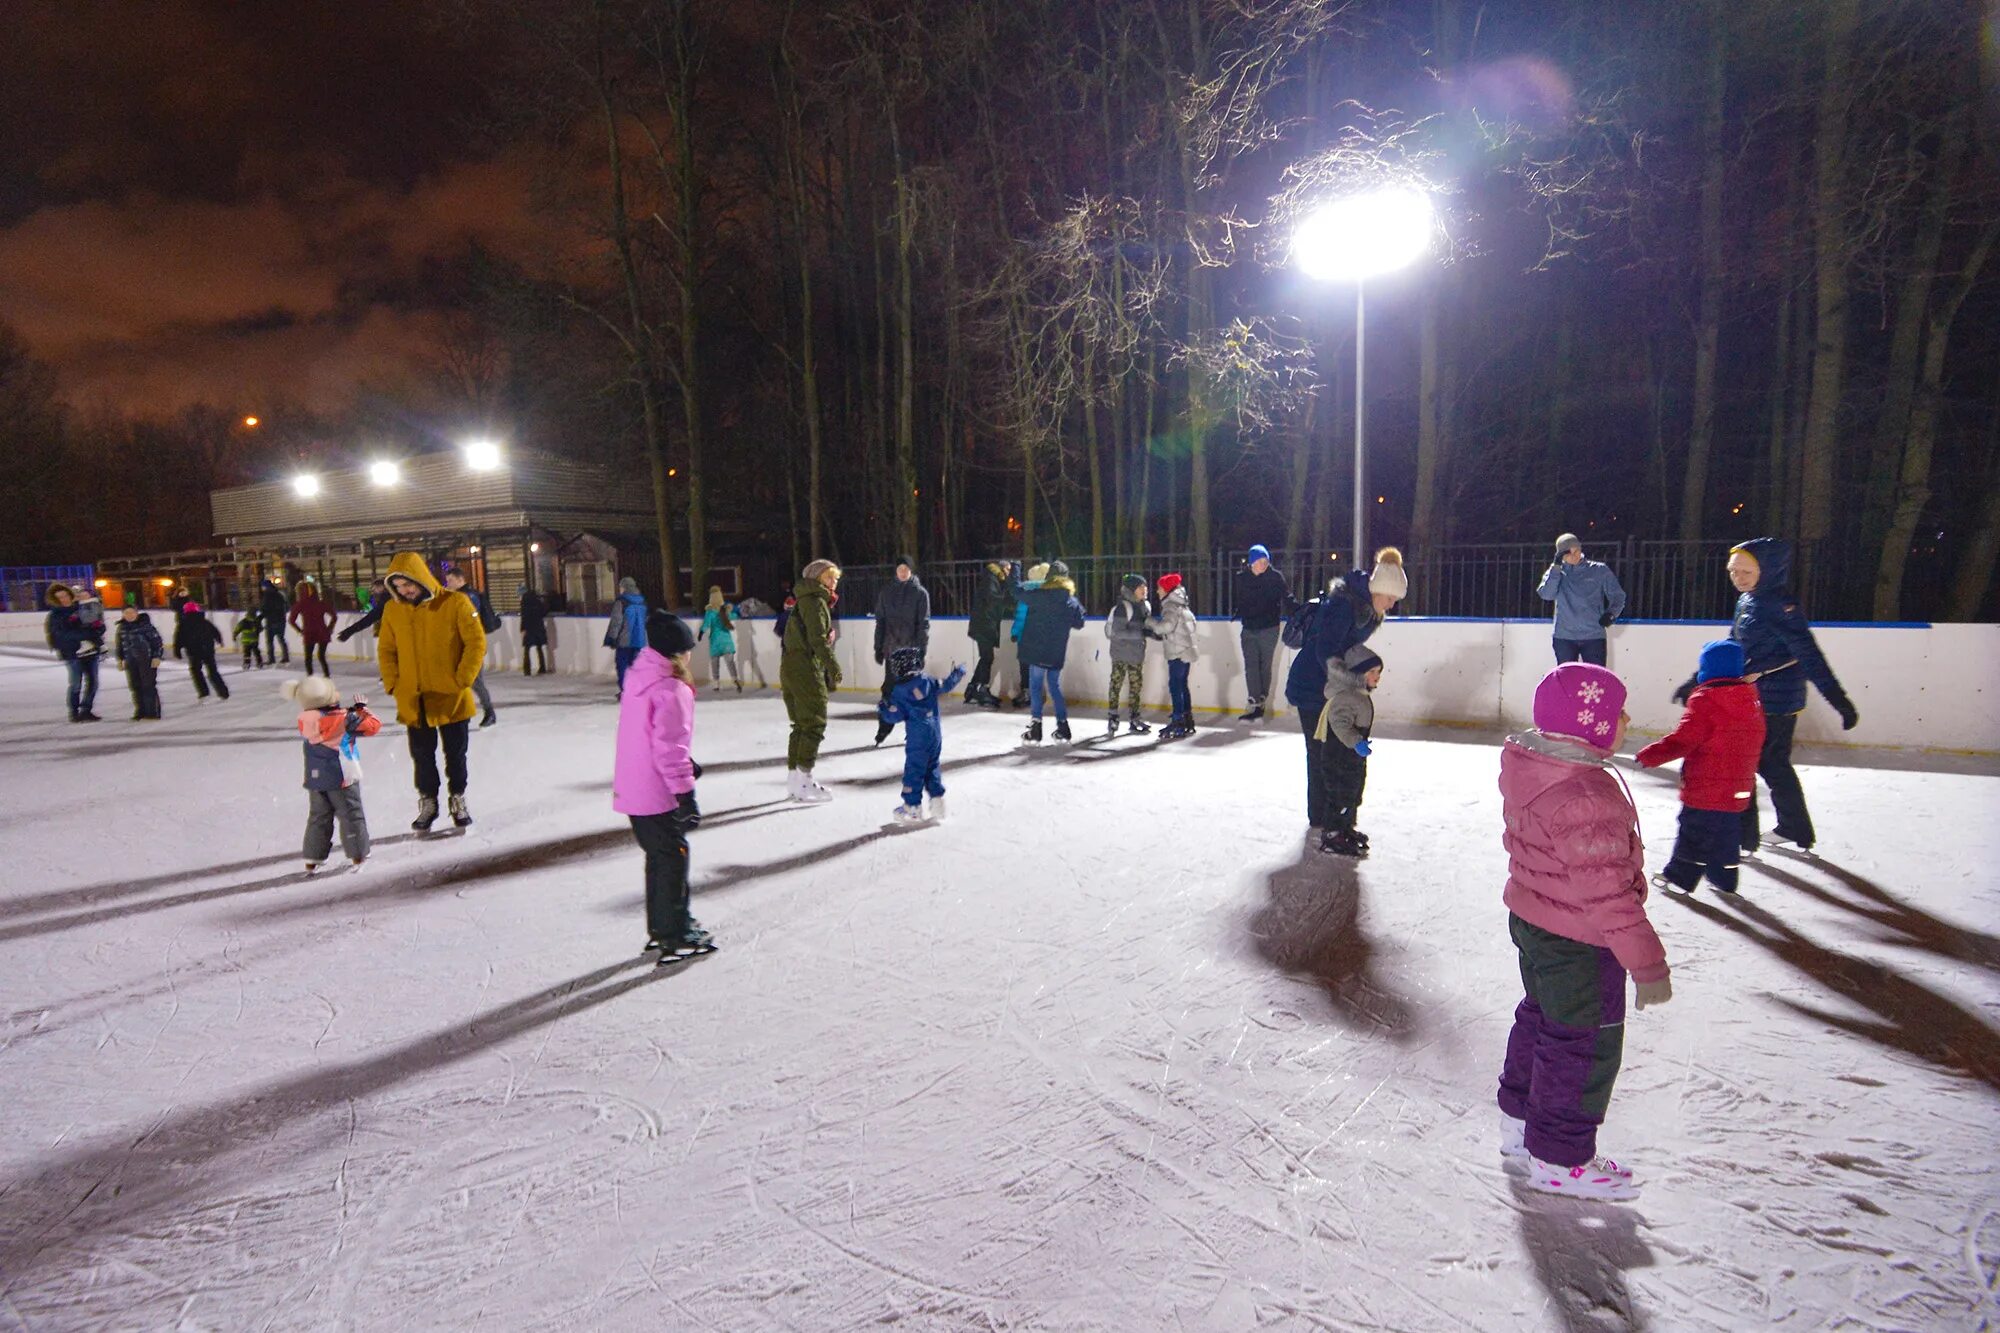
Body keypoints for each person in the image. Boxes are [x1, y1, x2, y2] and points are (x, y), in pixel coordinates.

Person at [1496, 662, 1670, 1201]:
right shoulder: (1585, 796)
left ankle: (1522, 1124)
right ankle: (1559, 1158)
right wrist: (1646, 963)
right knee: (1583, 1044)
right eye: (1617, 712)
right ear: (1590, 725)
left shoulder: (1535, 767)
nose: (1627, 719)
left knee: (1544, 1020)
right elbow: (1608, 894)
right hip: (1579, 940)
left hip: (1534, 920)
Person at [1676, 537, 1858, 854]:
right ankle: (1790, 828)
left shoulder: (1779, 605)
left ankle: (1751, 835)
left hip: (1776, 701)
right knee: (1769, 763)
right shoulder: (1748, 600)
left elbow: (1809, 655)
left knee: (1752, 762)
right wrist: (1697, 679)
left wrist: (1838, 700)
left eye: (1746, 572)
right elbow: (1733, 648)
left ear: (1769, 571)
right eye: (1733, 571)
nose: (1738, 578)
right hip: (1753, 697)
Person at [613, 606, 714, 962]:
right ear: (679, 651)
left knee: (660, 858)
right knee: (672, 858)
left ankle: (662, 926)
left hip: (633, 786)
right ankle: (675, 931)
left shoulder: (640, 676)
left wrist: (685, 765)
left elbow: (651, 738)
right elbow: (669, 748)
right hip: (657, 792)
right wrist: (685, 794)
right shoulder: (671, 688)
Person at [1283, 547, 1405, 832]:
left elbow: (1346, 649)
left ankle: (1328, 816)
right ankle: (1322, 818)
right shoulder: (1345, 606)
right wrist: (1356, 682)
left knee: (1330, 752)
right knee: (1320, 753)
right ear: (1378, 590)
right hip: (1312, 686)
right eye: (1390, 598)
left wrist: (1365, 668)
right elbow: (1326, 653)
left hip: (1327, 687)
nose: (1391, 605)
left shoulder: (1366, 609)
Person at [1638, 640, 1765, 894]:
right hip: (1739, 785)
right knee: (1727, 833)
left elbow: (1683, 740)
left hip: (1706, 786)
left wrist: (1651, 755)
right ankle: (1725, 878)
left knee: (1694, 832)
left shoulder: (1705, 700)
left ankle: (1679, 877)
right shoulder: (1751, 699)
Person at [378, 552, 487, 832]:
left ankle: (458, 798)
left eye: (408, 584)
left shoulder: (454, 602)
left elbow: (476, 643)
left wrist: (461, 679)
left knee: (456, 754)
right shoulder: (393, 610)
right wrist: (393, 683)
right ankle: (428, 801)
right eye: (399, 587)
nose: (405, 591)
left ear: (421, 578)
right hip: (414, 699)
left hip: (451, 696)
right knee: (422, 757)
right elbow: (387, 650)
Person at [281, 675, 382, 874]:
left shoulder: (305, 720)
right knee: (351, 814)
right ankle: (358, 853)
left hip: (316, 779)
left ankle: (313, 857)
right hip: (342, 777)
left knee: (319, 817)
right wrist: (362, 710)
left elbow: (328, 719)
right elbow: (373, 726)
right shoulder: (345, 719)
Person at [876, 646, 967, 823]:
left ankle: (912, 807)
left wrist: (882, 707)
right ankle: (937, 802)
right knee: (932, 767)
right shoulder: (927, 680)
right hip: (935, 734)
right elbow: (946, 684)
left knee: (914, 770)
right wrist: (958, 672)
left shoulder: (899, 691)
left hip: (917, 738)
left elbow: (894, 716)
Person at [781, 559, 843, 802]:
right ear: (816, 578)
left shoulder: (803, 601)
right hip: (806, 667)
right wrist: (834, 667)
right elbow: (817, 640)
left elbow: (808, 635)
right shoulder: (815, 602)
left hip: (791, 665)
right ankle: (804, 780)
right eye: (829, 577)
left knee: (800, 724)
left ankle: (794, 780)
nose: (833, 581)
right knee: (814, 722)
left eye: (835, 577)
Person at [1314, 645, 1382, 856]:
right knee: (1341, 793)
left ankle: (1344, 828)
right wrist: (1355, 742)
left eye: (1379, 672)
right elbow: (1340, 723)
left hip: (1351, 755)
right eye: (1372, 672)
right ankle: (1333, 833)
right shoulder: (1346, 696)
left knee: (1353, 791)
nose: (1377, 677)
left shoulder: (1358, 693)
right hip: (1339, 755)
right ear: (1357, 673)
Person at [1015, 559, 1085, 743]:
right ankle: (1063, 727)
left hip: (1037, 651)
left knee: (1036, 687)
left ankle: (1036, 729)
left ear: (1049, 577)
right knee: (1054, 686)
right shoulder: (1071, 601)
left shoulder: (1039, 595)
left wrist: (1015, 569)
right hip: (1056, 651)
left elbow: (1017, 592)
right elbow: (1080, 622)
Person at [1537, 534, 1627, 665]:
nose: (1574, 555)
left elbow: (1618, 595)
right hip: (1564, 637)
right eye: (1569, 553)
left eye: (1577, 551)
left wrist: (1611, 614)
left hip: (1593, 636)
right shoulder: (1556, 573)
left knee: (1596, 680)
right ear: (1561, 554)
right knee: (1567, 680)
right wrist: (1556, 567)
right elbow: (1547, 594)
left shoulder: (1599, 570)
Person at [1234, 544, 1296, 721]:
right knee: (1251, 665)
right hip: (1249, 627)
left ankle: (1262, 698)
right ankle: (1254, 700)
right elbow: (1242, 600)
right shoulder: (1242, 578)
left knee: (1265, 664)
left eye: (1266, 561)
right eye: (1260, 561)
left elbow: (1287, 597)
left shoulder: (1275, 577)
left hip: (1269, 628)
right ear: (1252, 562)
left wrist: (1299, 611)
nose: (1263, 564)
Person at [443, 568, 500, 728]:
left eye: (451, 580)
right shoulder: (458, 596)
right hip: (458, 644)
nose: (448, 584)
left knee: (475, 680)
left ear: (460, 580)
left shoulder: (468, 596)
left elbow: (466, 621)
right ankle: (461, 712)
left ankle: (489, 712)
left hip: (472, 646)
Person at [1148, 572, 1200, 740]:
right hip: (1185, 652)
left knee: (1175, 686)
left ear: (1166, 589)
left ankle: (1178, 720)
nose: (1157, 592)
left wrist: (1149, 622)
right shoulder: (1183, 606)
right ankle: (1187, 717)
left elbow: (1166, 626)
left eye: (1159, 588)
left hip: (1178, 653)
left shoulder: (1171, 606)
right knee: (1182, 685)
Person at [44, 584, 105, 722]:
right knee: (76, 683)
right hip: (71, 653)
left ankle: (86, 710)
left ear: (70, 595)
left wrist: (97, 630)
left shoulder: (82, 607)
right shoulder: (55, 615)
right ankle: (74, 712)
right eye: (59, 597)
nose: (63, 599)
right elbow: (61, 636)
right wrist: (85, 634)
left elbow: (98, 625)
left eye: (65, 595)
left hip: (90, 651)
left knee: (93, 682)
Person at [1103, 574, 1152, 735]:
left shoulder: (1145, 606)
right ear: (1132, 590)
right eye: (1141, 587)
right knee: (1116, 685)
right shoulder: (1123, 608)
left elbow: (1145, 626)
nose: (1145, 590)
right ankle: (1113, 717)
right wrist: (1141, 633)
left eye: (1145, 587)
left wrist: (1153, 632)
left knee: (1136, 687)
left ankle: (1135, 718)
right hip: (1120, 654)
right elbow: (1118, 632)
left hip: (1137, 654)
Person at [873, 557, 931, 684]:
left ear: (911, 571)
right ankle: (888, 698)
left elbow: (923, 624)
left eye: (906, 569)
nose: (903, 572)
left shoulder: (920, 594)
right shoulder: (886, 593)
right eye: (900, 569)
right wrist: (878, 647)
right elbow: (881, 622)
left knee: (909, 684)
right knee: (890, 684)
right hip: (891, 646)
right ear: (896, 571)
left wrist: (922, 649)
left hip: (911, 646)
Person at [965, 561, 1014, 708]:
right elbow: (993, 598)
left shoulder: (995, 579)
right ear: (1002, 567)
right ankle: (982, 688)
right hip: (983, 624)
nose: (1009, 573)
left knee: (986, 657)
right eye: (1008, 569)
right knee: (987, 657)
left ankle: (973, 688)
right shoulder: (991, 578)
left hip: (985, 624)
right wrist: (1009, 601)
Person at [113, 605, 165, 720]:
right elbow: (120, 645)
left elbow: (156, 642)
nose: (129, 615)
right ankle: (140, 711)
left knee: (148, 685)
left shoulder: (146, 626)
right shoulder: (122, 628)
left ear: (137, 613)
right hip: (131, 661)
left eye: (132, 613)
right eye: (126, 613)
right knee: (135, 686)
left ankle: (152, 712)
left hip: (147, 660)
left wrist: (156, 656)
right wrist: (120, 659)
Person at [174, 602, 230, 700]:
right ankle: (223, 692)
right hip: (207, 649)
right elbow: (215, 631)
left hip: (194, 651)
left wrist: (177, 650)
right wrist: (219, 640)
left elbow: (179, 638)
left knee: (196, 671)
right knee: (213, 671)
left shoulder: (183, 624)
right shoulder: (204, 621)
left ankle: (204, 692)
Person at [605, 576, 648, 697]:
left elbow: (616, 622)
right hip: (640, 640)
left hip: (625, 641)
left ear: (624, 587)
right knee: (636, 666)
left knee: (622, 665)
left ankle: (626, 690)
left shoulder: (621, 602)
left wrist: (612, 638)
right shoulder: (642, 601)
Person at [288, 578, 338, 678]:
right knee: (321, 656)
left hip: (309, 633)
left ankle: (310, 677)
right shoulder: (320, 603)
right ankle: (327, 675)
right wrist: (330, 628)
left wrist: (300, 631)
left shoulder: (300, 604)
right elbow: (334, 616)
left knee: (308, 658)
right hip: (322, 632)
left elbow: (291, 620)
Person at [699, 586, 742, 691]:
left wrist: (700, 633)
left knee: (715, 663)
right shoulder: (725, 610)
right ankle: (735, 679)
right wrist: (734, 612)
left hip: (715, 641)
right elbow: (734, 616)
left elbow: (706, 624)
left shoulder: (710, 612)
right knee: (730, 661)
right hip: (726, 640)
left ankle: (716, 684)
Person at [336, 578, 390, 645]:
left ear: (382, 587)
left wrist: (349, 631)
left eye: (375, 589)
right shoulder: (388, 598)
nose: (373, 591)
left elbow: (369, 619)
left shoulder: (385, 601)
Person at [259, 575, 292, 665]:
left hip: (271, 621)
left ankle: (271, 658)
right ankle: (286, 657)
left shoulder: (267, 596)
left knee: (270, 641)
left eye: (263, 586)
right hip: (281, 620)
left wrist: (260, 618)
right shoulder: (279, 595)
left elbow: (265, 609)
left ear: (265, 587)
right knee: (281, 639)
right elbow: (286, 607)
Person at [519, 587, 550, 676]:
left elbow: (524, 617)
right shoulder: (538, 602)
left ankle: (527, 669)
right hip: (539, 627)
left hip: (529, 628)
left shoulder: (525, 603)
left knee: (527, 649)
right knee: (539, 648)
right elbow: (544, 612)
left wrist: (522, 629)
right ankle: (542, 667)